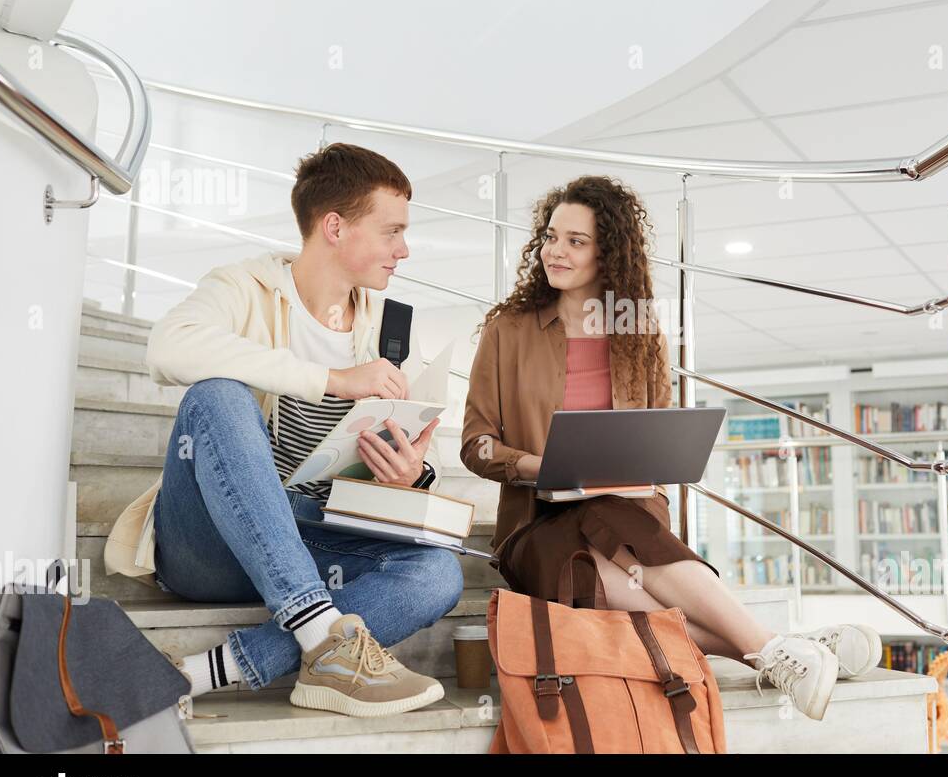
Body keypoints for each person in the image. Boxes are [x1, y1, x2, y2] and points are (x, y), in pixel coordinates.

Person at [461, 175, 880, 721]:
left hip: (626, 512)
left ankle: (779, 652)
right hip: (537, 524)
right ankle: (777, 646)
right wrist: (540, 466)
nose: (554, 251)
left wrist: (639, 475)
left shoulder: (641, 332)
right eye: (550, 235)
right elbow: (475, 445)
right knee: (594, 562)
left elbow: (655, 437)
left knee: (608, 549)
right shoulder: (508, 330)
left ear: (608, 252)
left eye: (576, 241)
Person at [105, 142, 463, 717]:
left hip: (311, 536)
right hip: (211, 547)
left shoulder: (391, 327)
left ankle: (216, 667)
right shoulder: (242, 286)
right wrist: (331, 378)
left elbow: (420, 447)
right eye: (391, 231)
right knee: (216, 396)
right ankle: (327, 641)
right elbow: (167, 346)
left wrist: (412, 474)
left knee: (436, 573)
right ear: (335, 227)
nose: (405, 249)